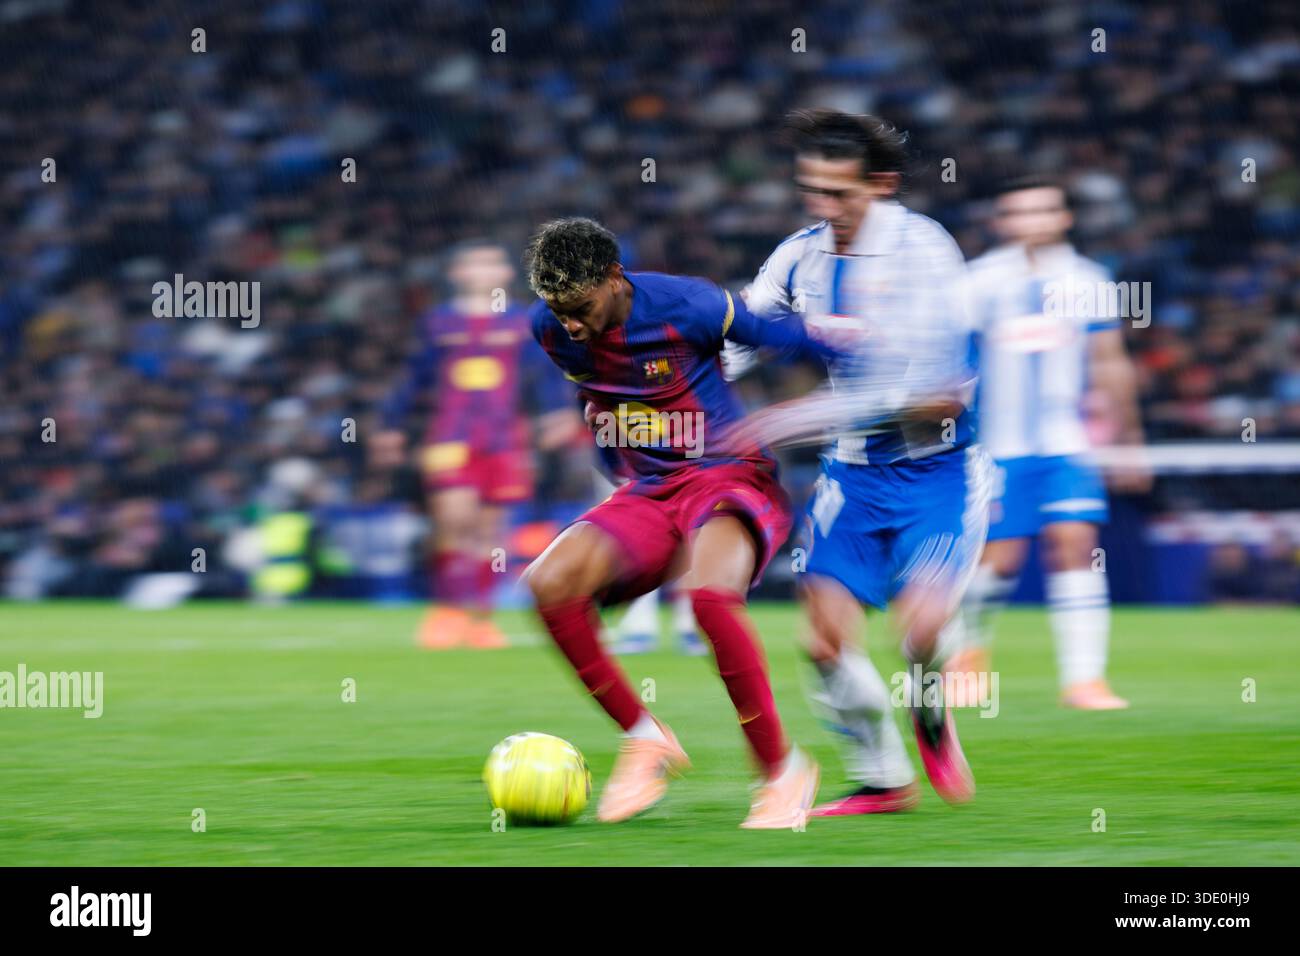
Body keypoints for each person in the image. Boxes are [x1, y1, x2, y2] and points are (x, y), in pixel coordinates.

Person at [523, 216, 834, 828]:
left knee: (709, 599)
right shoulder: (551, 329)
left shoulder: (687, 303)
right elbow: (599, 391)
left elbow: (778, 337)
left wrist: (860, 347)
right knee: (547, 584)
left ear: (615, 279)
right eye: (560, 312)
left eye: (581, 308)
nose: (572, 325)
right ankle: (645, 738)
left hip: (729, 475)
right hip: (651, 490)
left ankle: (781, 770)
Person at [730, 109, 988, 816]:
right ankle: (883, 781)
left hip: (936, 475)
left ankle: (930, 709)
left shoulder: (925, 253)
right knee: (821, 642)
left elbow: (938, 402)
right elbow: (739, 334)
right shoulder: (798, 255)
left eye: (839, 194)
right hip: (851, 478)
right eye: (812, 191)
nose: (824, 208)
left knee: (919, 635)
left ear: (881, 185)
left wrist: (796, 416)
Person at [944, 176, 1144, 710]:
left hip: (1066, 444)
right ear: (1002, 222)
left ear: (1064, 218)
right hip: (997, 448)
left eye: (1043, 211)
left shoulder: (1089, 279)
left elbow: (1110, 362)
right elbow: (953, 368)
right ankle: (968, 655)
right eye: (1018, 212)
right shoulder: (976, 283)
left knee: (1076, 545)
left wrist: (1129, 439)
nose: (1031, 221)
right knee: (998, 559)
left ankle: (1085, 680)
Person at [384, 241, 579, 650]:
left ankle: (481, 619)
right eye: (475, 263)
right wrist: (392, 425)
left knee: (492, 533)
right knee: (454, 522)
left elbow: (544, 375)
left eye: (492, 263)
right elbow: (413, 378)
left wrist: (557, 413)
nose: (484, 271)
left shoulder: (522, 322)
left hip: (505, 438)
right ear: (458, 273)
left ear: (505, 274)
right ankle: (448, 612)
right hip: (449, 436)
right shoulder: (437, 323)